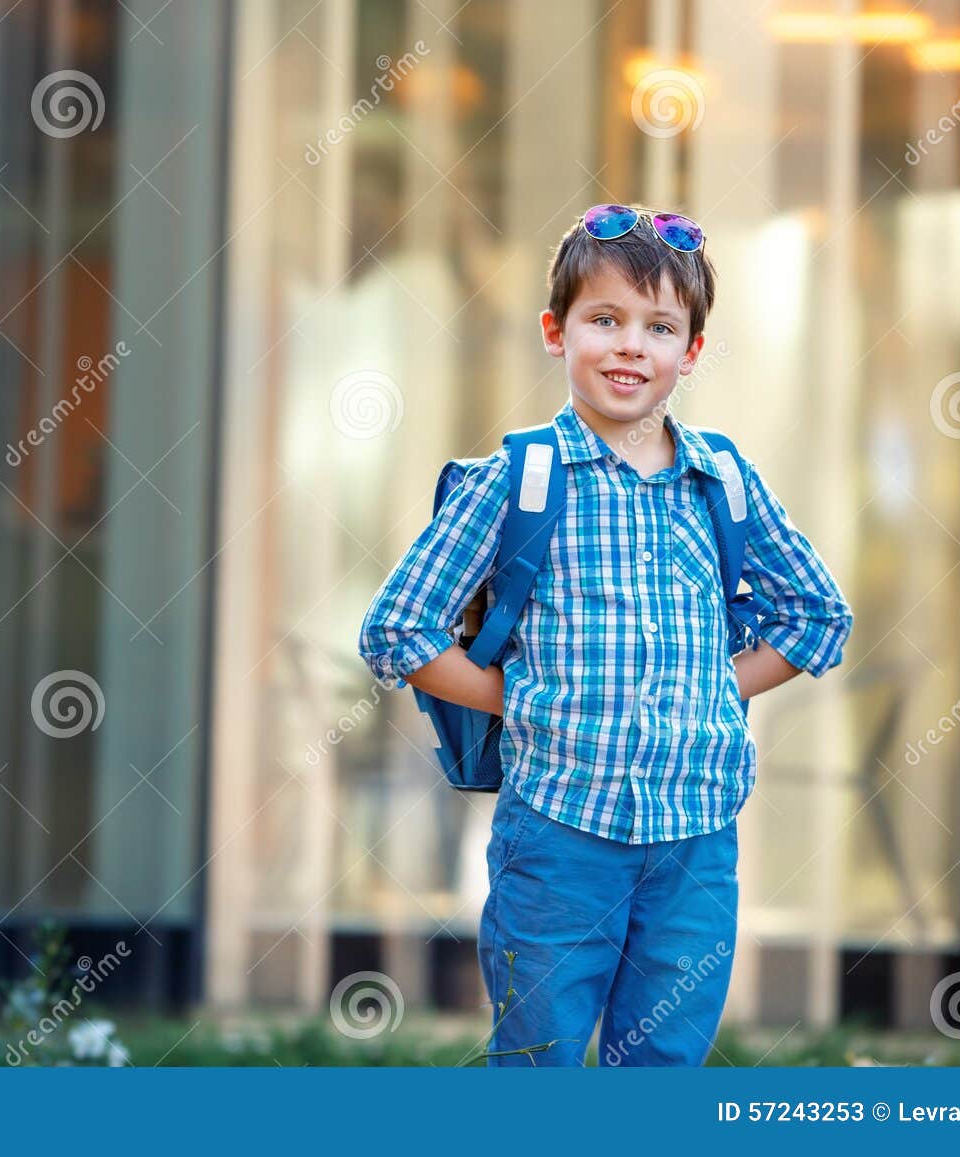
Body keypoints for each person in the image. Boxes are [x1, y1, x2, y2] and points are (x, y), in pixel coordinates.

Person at [357, 204, 854, 1066]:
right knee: (540, 1059)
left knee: (663, 1067)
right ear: (557, 332)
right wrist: (518, 698)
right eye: (605, 319)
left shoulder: (722, 481)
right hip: (559, 835)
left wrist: (710, 686)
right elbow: (397, 628)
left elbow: (819, 615)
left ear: (691, 351)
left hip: (696, 836)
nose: (631, 345)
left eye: (659, 327)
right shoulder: (516, 479)